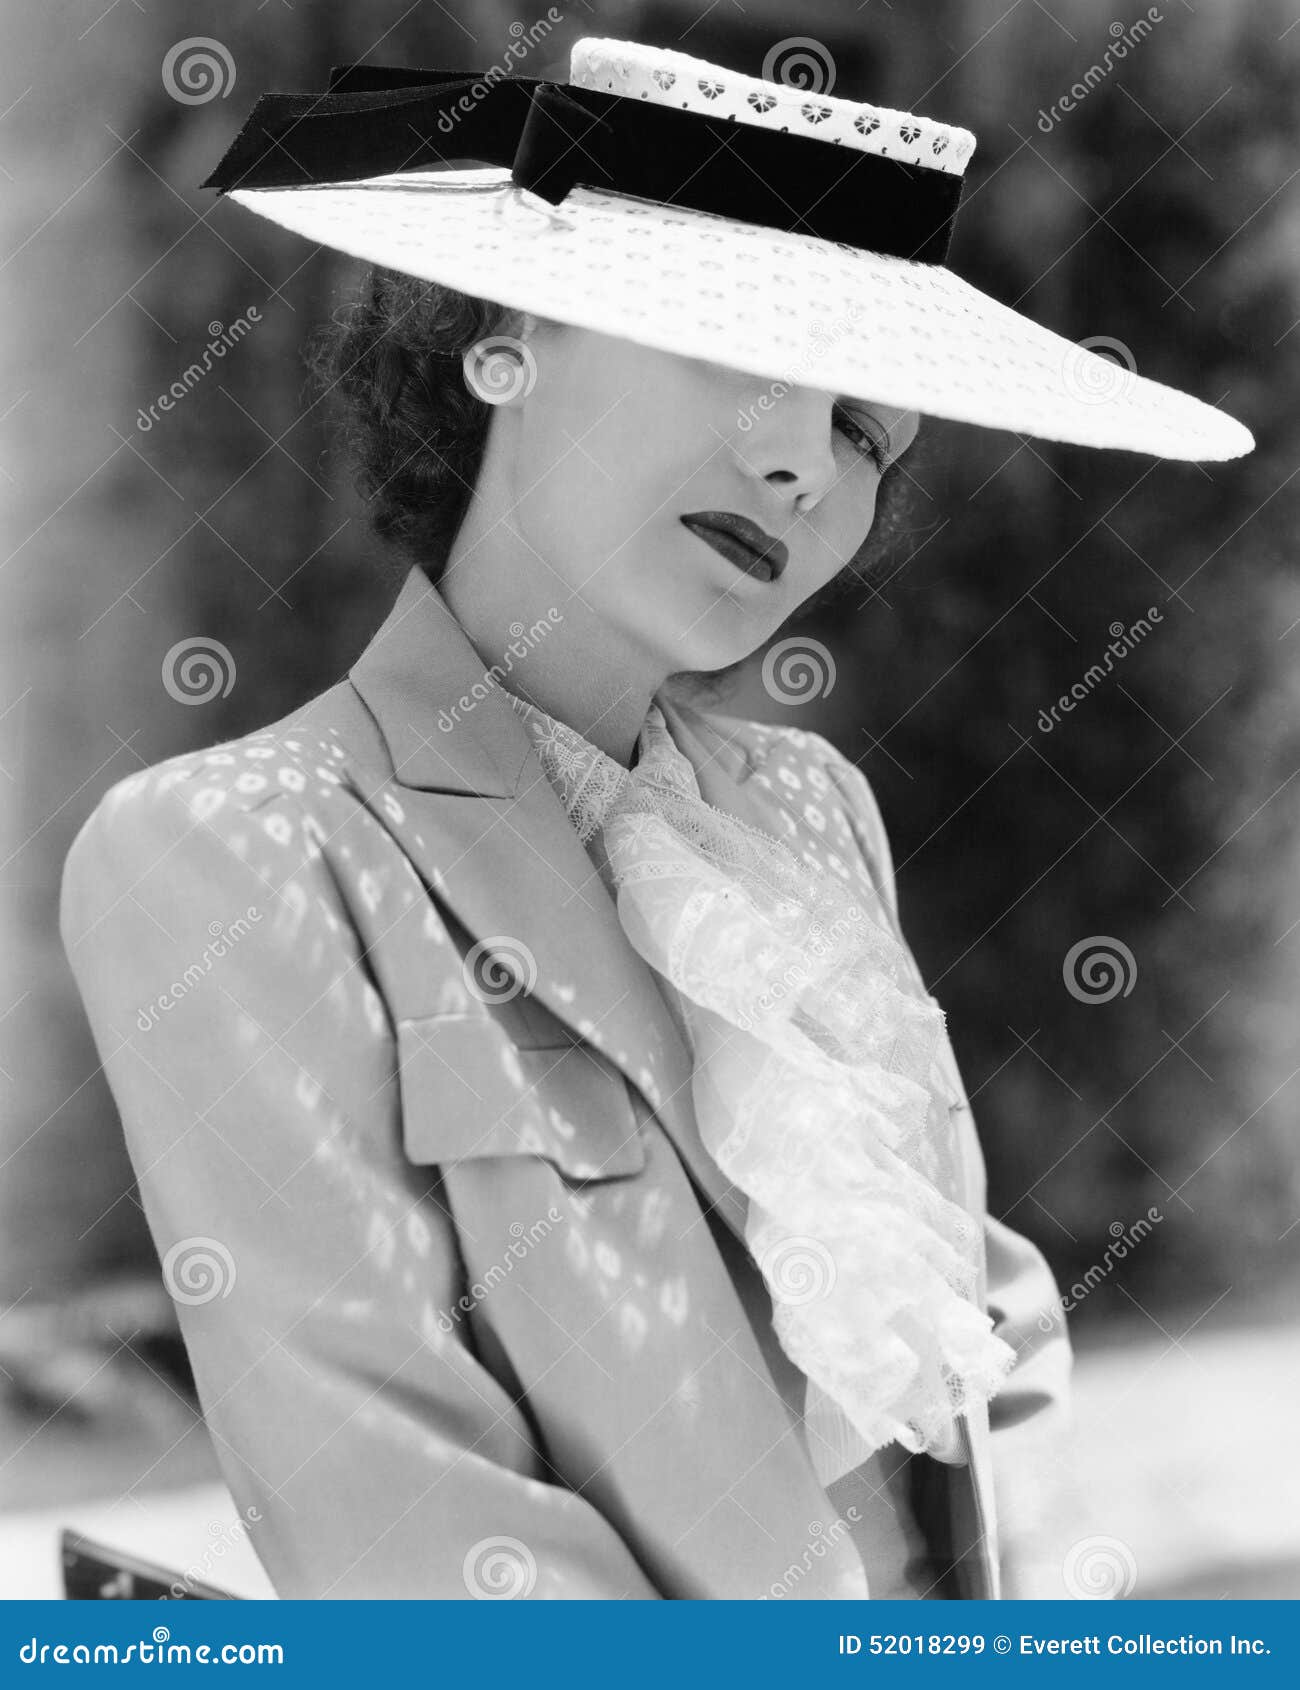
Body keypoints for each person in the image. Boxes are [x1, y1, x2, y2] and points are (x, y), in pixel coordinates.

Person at [58, 36, 1252, 1600]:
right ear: (506, 335)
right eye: (739, 355)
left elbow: (968, 1329)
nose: (798, 463)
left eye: (861, 430)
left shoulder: (810, 817)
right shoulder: (239, 848)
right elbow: (411, 1536)